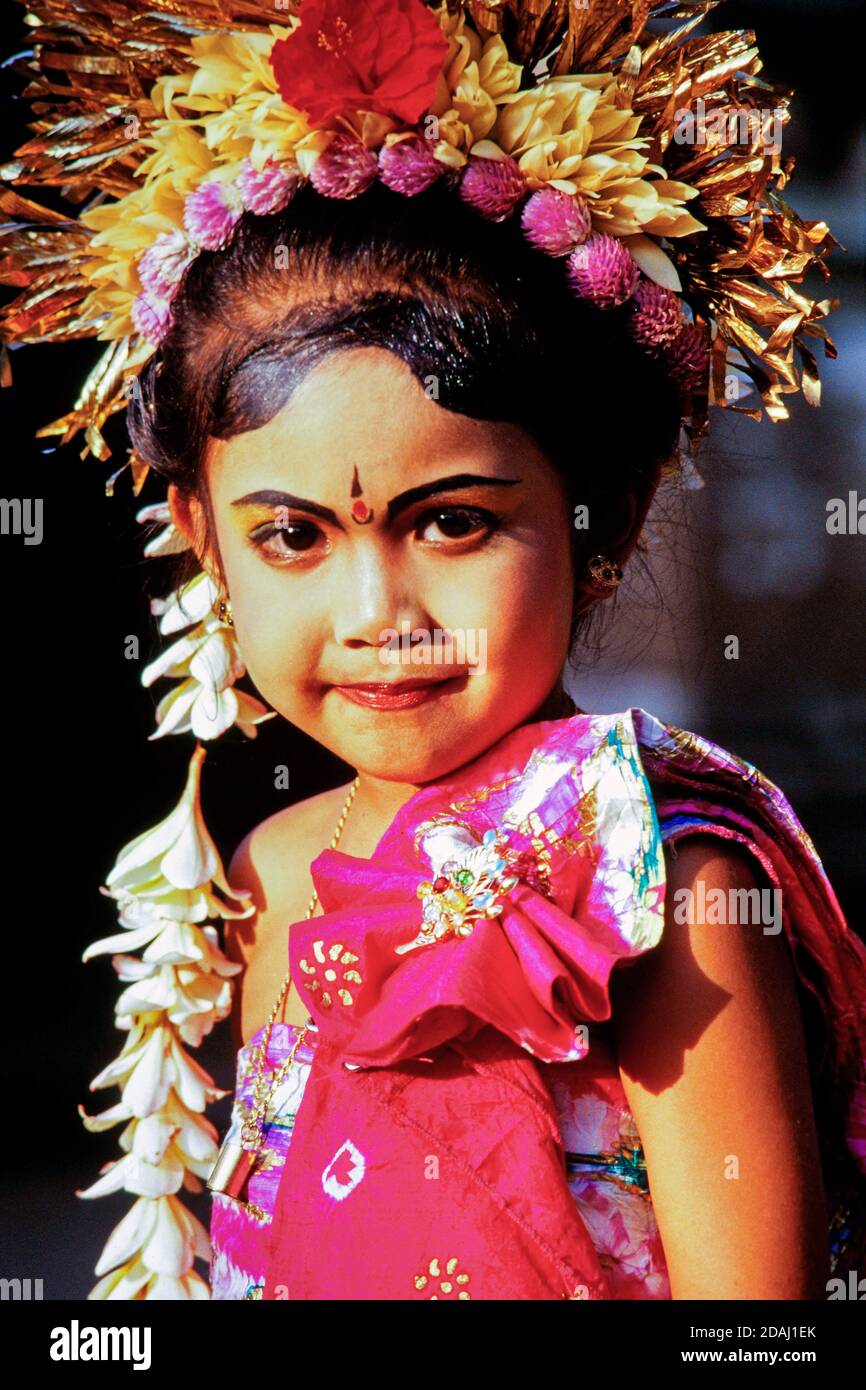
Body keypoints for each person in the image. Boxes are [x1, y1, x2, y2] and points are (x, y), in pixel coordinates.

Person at [2, 0, 861, 1302]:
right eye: (290, 535)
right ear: (201, 538)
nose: (377, 612)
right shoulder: (267, 874)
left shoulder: (662, 883)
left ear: (604, 513)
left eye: (451, 521)